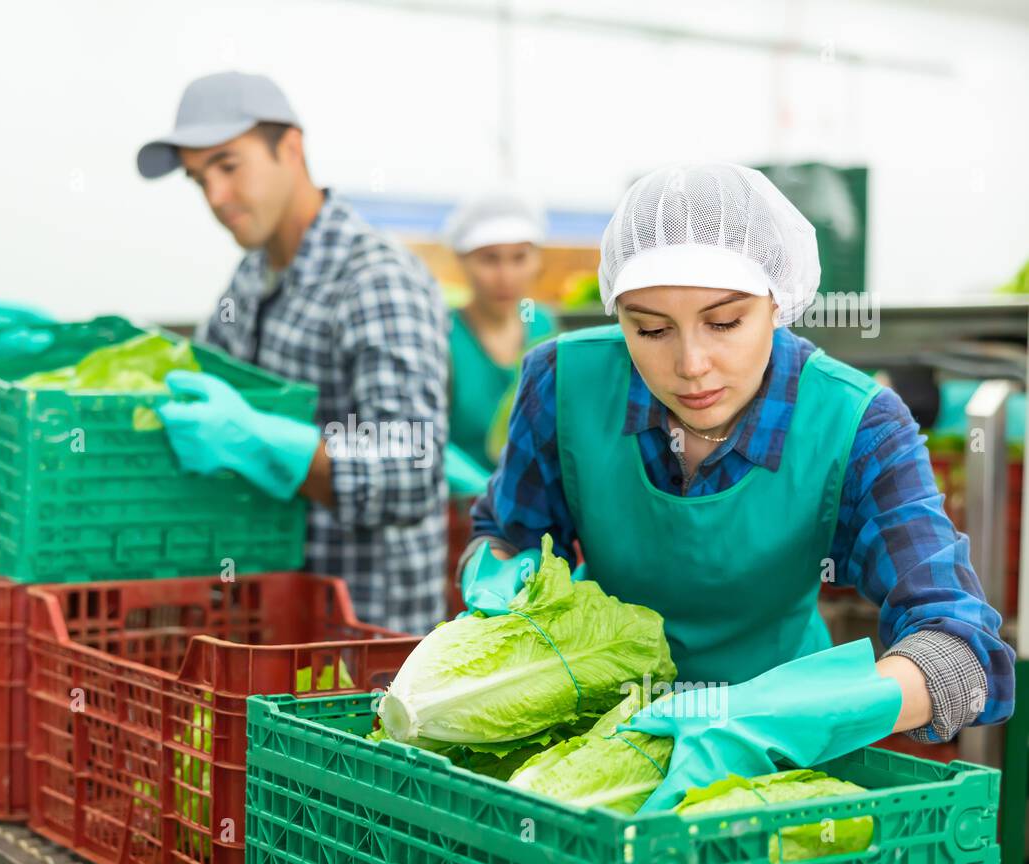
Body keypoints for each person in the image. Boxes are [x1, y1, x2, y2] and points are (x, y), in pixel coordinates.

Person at [460, 162, 1015, 811]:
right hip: (598, 751)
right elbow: (509, 535)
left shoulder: (855, 422)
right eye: (650, 328)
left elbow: (964, 655)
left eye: (724, 323)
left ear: (779, 300)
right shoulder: (563, 383)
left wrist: (775, 719)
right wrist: (501, 583)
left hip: (776, 772)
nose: (691, 366)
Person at [137, 72, 448, 635]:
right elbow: (194, 381)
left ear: (291, 147)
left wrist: (262, 442)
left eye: (229, 166)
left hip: (366, 643)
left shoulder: (374, 279)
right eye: (199, 178)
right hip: (273, 622)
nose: (215, 197)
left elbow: (413, 471)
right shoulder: (252, 277)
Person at [442, 191, 556, 495]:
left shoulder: (543, 324)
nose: (506, 276)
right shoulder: (442, 333)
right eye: (489, 259)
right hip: (463, 511)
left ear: (537, 260)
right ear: (462, 260)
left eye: (519, 258)